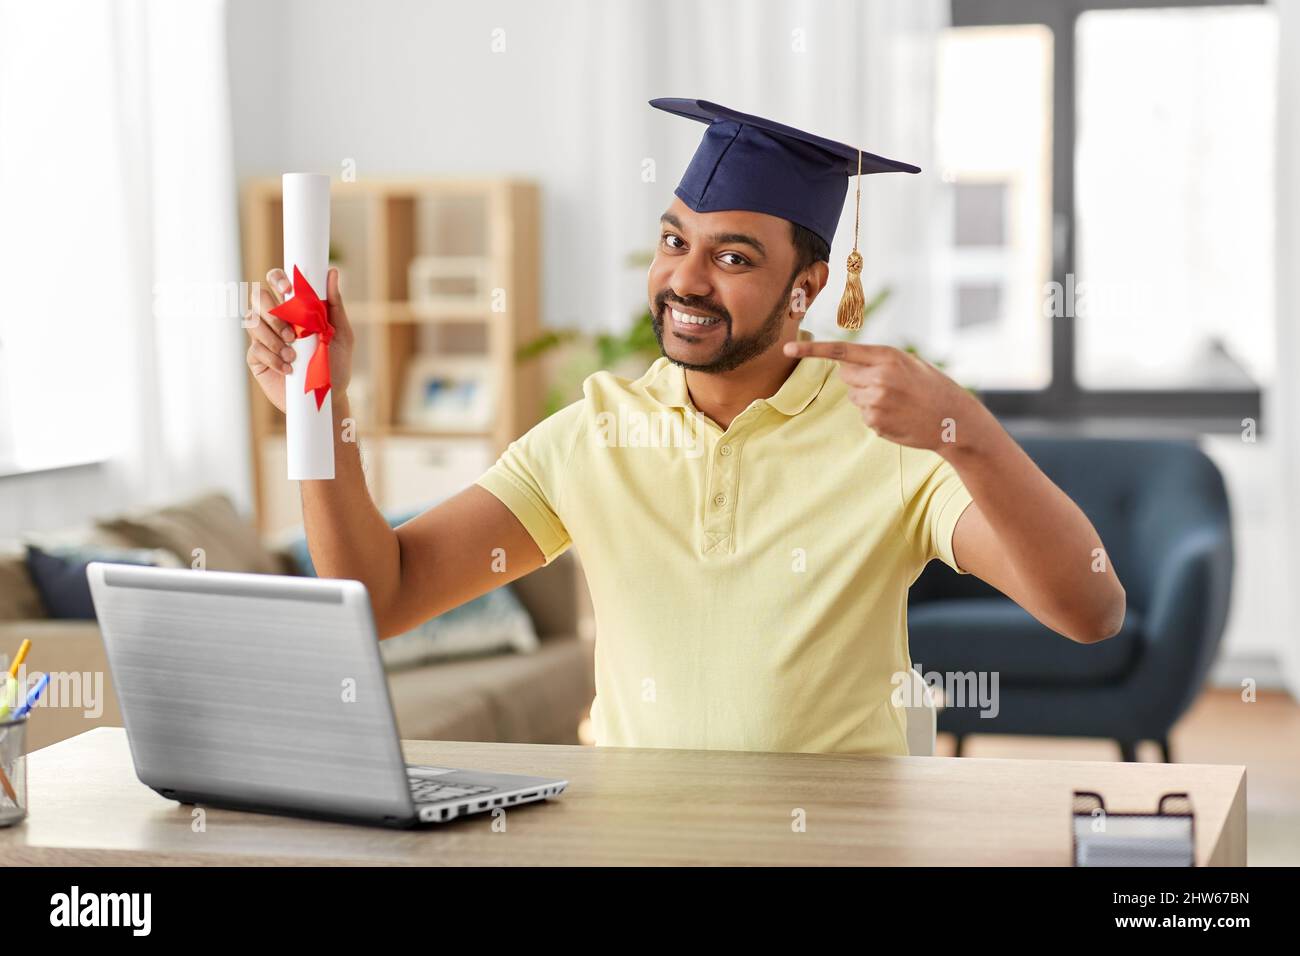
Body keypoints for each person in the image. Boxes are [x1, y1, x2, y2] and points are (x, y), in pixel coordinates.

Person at [244, 98, 1125, 756]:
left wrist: (966, 432)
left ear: (806, 288)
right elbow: (383, 596)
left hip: (841, 842)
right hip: (642, 839)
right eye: (674, 242)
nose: (686, 280)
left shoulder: (890, 439)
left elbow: (1090, 612)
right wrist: (323, 409)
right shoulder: (593, 435)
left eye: (732, 256)